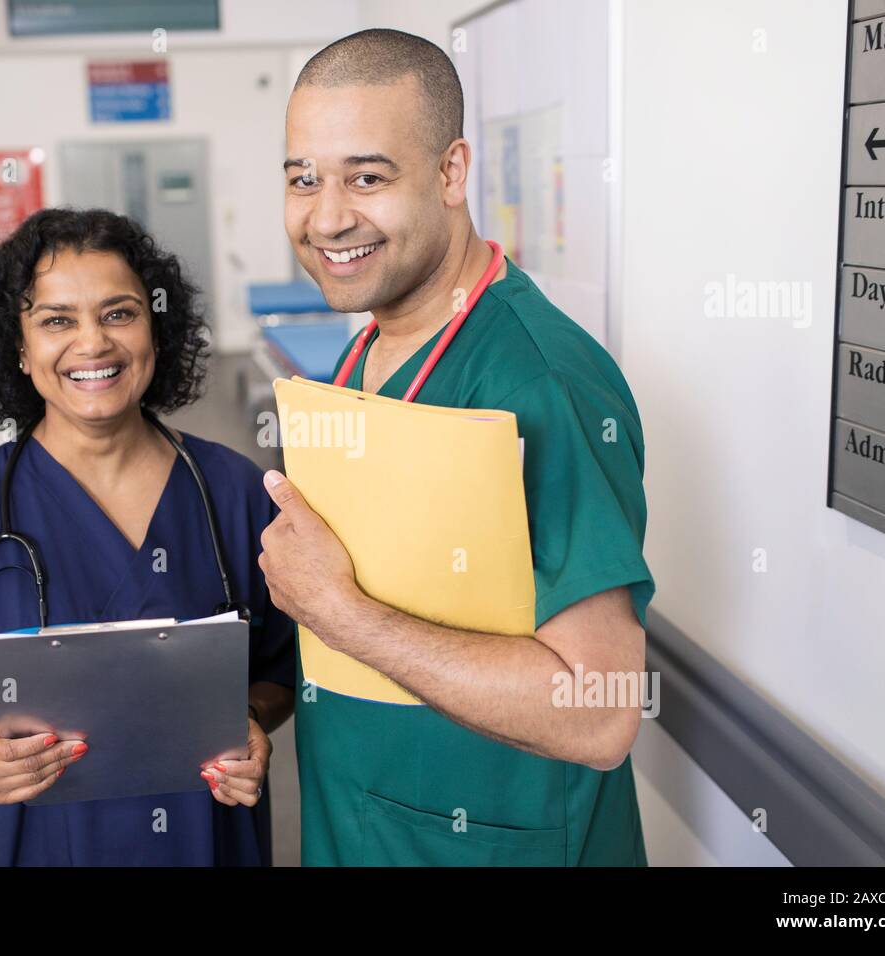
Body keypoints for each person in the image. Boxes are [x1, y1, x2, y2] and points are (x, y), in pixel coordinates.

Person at [259, 29, 655, 865]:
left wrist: (338, 612)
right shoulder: (371, 348)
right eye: (304, 179)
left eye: (368, 177)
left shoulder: (540, 382)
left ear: (451, 172)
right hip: (365, 828)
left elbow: (601, 711)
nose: (327, 217)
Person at [0, 208, 295, 865]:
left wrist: (249, 719)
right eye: (57, 320)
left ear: (156, 329)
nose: (93, 343)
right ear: (20, 349)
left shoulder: (234, 494)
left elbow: (283, 671)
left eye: (119, 313)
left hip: (202, 844)